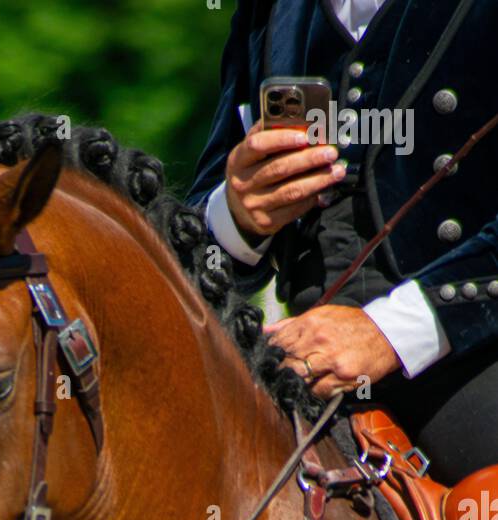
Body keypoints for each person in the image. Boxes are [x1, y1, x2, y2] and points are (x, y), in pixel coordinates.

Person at [187, 0, 498, 484]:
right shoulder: (269, 11)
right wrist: (236, 213)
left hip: (471, 355)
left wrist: (387, 333)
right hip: (295, 359)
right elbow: (193, 247)